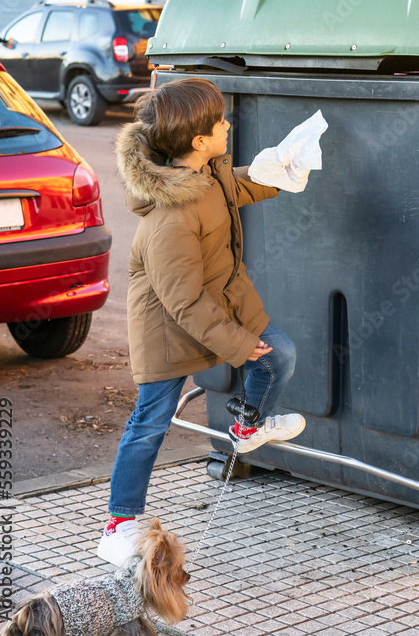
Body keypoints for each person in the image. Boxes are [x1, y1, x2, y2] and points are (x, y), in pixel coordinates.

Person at [98, 78, 305, 566]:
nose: (228, 125)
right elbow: (183, 302)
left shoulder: (209, 172)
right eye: (220, 123)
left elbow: (235, 189)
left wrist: (281, 173)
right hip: (168, 333)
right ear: (197, 141)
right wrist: (235, 341)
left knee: (281, 356)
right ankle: (119, 523)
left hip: (218, 306)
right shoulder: (170, 219)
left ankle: (247, 426)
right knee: (149, 422)